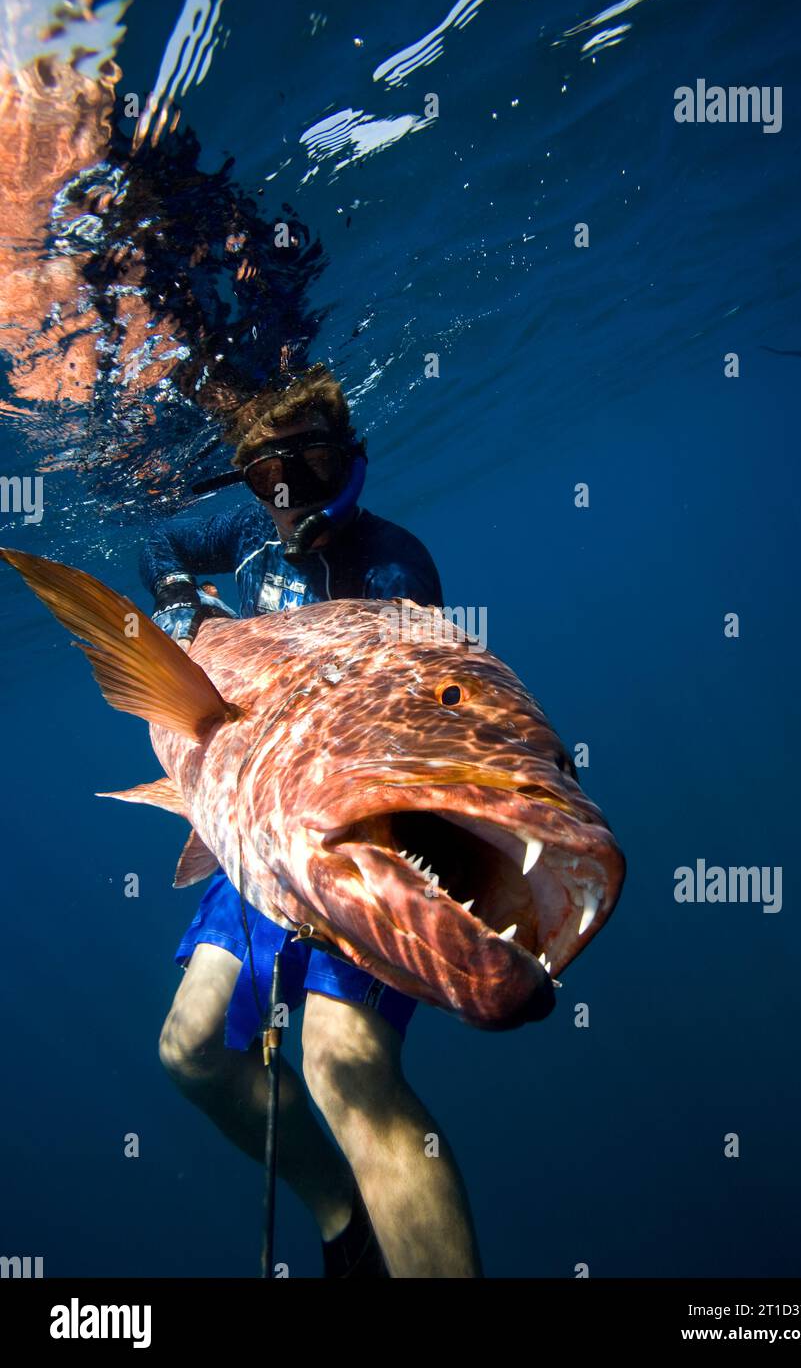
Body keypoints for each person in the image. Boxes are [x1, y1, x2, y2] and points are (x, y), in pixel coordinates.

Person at [140, 364, 482, 1278]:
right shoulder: (250, 534)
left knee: (343, 1063)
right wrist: (179, 602)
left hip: (362, 840)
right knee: (191, 1048)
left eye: (316, 474)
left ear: (354, 467)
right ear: (251, 486)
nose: (291, 504)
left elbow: (397, 726)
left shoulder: (393, 568)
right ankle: (345, 1226)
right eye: (268, 483)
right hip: (257, 822)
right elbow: (159, 540)